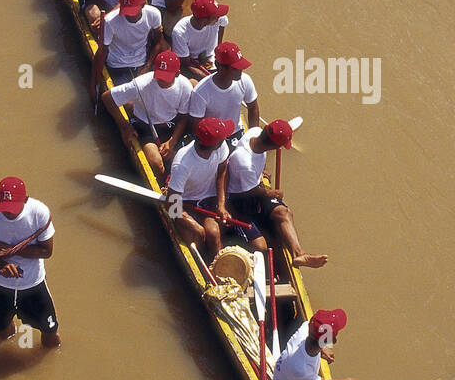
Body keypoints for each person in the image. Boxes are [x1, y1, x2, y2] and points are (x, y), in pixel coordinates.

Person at [0, 177, 60, 349]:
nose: (8, 213)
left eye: (13, 209)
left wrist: (10, 250)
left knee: (49, 329)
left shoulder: (39, 213)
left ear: (25, 200)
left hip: (32, 283)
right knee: (0, 327)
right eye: (4, 208)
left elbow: (46, 251)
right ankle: (7, 351)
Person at [226, 121, 328, 267]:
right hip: (240, 199)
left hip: (254, 187)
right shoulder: (245, 165)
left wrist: (263, 169)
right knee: (260, 247)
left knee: (284, 212)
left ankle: (299, 254)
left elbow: (257, 159)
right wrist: (271, 192)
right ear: (274, 147)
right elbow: (250, 191)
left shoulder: (254, 132)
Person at [101, 48, 192, 178]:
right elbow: (107, 97)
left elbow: (184, 117)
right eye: (158, 76)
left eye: (166, 78)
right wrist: (124, 126)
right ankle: (162, 184)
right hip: (146, 126)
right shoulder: (141, 84)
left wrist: (172, 141)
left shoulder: (185, 85)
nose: (161, 80)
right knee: (156, 163)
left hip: (172, 125)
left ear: (177, 74)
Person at [164, 117, 234, 257]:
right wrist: (194, 226)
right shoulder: (182, 164)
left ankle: (217, 266)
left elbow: (222, 172)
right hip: (184, 203)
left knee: (213, 233)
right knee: (197, 236)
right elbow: (171, 206)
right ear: (215, 144)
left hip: (207, 200)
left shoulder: (221, 146)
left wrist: (221, 205)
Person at [95, 0, 165, 92]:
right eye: (126, 11)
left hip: (141, 63)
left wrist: (147, 67)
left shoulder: (153, 14)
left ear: (142, 5)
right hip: (117, 65)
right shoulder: (110, 21)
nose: (129, 16)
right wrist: (94, 83)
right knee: (129, 102)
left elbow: (158, 42)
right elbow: (101, 52)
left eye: (133, 11)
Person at [188, 41, 259, 137]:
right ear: (220, 67)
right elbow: (195, 128)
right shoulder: (200, 92)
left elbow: (253, 108)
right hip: (211, 137)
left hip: (235, 132)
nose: (240, 71)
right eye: (235, 68)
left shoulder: (245, 80)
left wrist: (252, 136)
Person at [171, 0, 229, 79]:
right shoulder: (180, 32)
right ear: (204, 20)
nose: (218, 18)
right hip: (192, 63)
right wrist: (207, 78)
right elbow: (185, 63)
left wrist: (219, 51)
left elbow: (222, 25)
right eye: (216, 16)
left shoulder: (220, 18)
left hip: (211, 59)